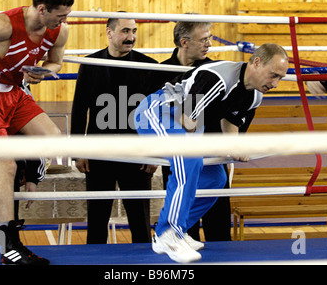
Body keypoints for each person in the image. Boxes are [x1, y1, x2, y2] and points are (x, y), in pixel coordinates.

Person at [134, 43, 289, 263]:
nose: (275, 84)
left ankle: (178, 230)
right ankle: (167, 232)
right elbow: (186, 117)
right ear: (256, 62)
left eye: (281, 78)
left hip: (192, 123)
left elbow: (231, 121)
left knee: (216, 178)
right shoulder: (217, 78)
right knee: (189, 158)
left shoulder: (254, 96)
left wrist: (234, 147)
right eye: (273, 75)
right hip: (158, 111)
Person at [0, 0, 74, 265]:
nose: (64, 20)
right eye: (59, 15)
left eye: (66, 15)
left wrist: (45, 71)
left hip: (13, 93)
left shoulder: (59, 31)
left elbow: (56, 61)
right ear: (41, 9)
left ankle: (0, 163)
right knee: (6, 165)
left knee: (53, 140)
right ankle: (9, 243)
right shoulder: (1, 25)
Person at [71, 17, 158, 244]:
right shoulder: (90, 64)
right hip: (100, 153)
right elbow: (80, 109)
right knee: (97, 222)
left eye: (134, 31)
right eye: (125, 31)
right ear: (109, 33)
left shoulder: (148, 66)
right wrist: (78, 151)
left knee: (141, 222)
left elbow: (160, 113)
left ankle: (144, 267)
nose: (131, 37)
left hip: (137, 154)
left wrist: (156, 153)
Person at [157, 20, 233, 243]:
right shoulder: (158, 72)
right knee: (181, 225)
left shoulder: (217, 73)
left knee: (218, 227)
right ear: (184, 42)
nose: (209, 44)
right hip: (177, 157)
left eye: (210, 38)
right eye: (204, 39)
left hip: (212, 156)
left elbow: (229, 112)